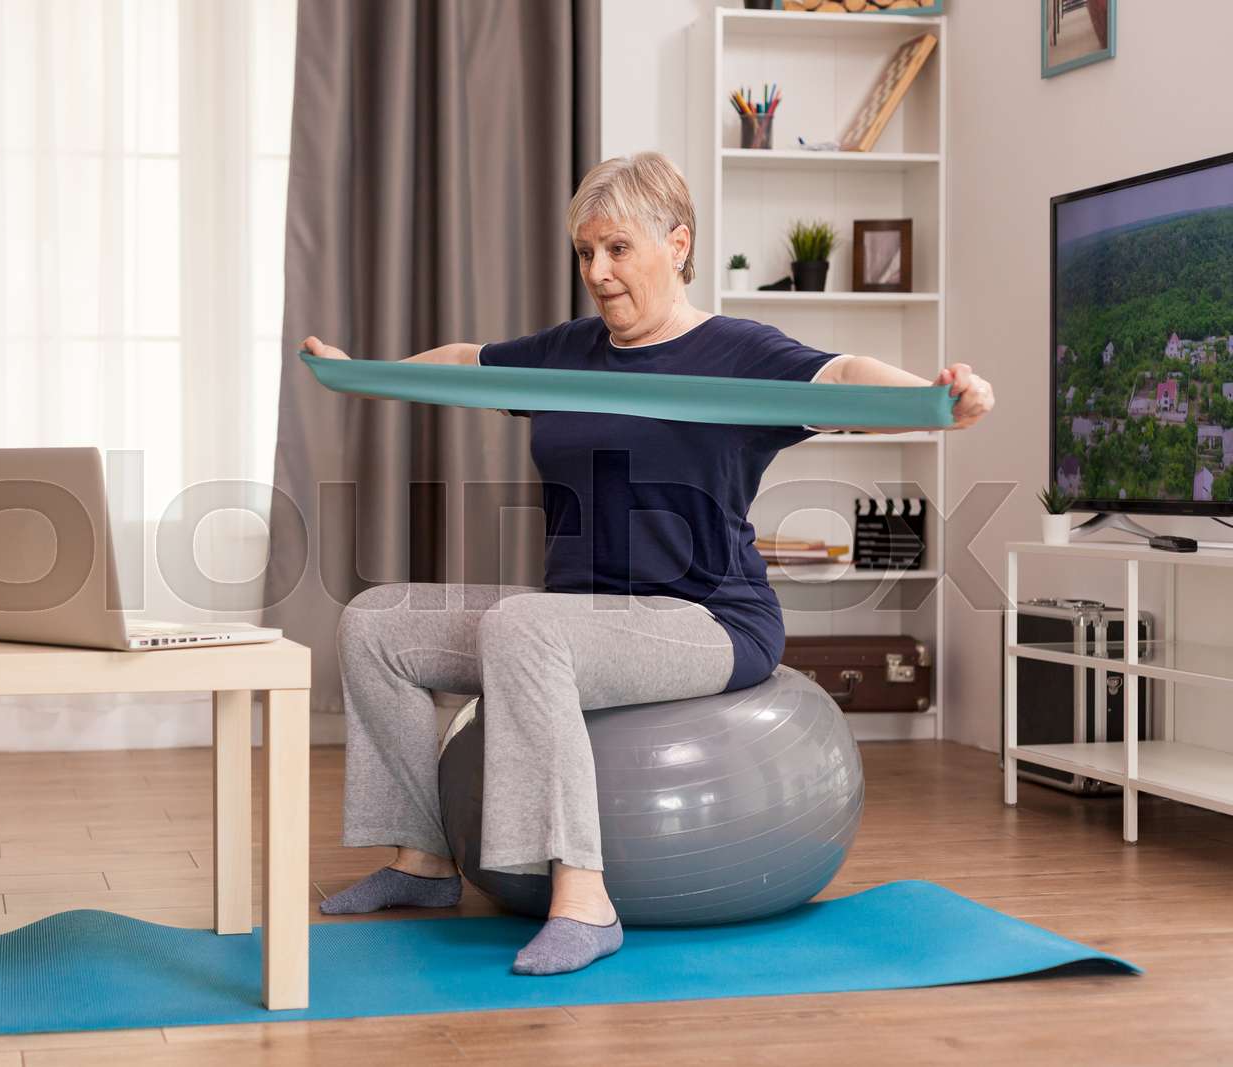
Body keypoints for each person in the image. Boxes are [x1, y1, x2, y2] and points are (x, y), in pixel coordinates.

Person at [301, 151, 993, 976]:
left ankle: (584, 900)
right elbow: (465, 363)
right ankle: (423, 861)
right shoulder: (569, 353)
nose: (597, 271)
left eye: (617, 249)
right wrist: (358, 376)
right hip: (579, 614)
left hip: (705, 617)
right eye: (586, 252)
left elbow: (841, 375)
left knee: (526, 626)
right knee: (376, 622)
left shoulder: (737, 352)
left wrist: (936, 401)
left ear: (677, 242)